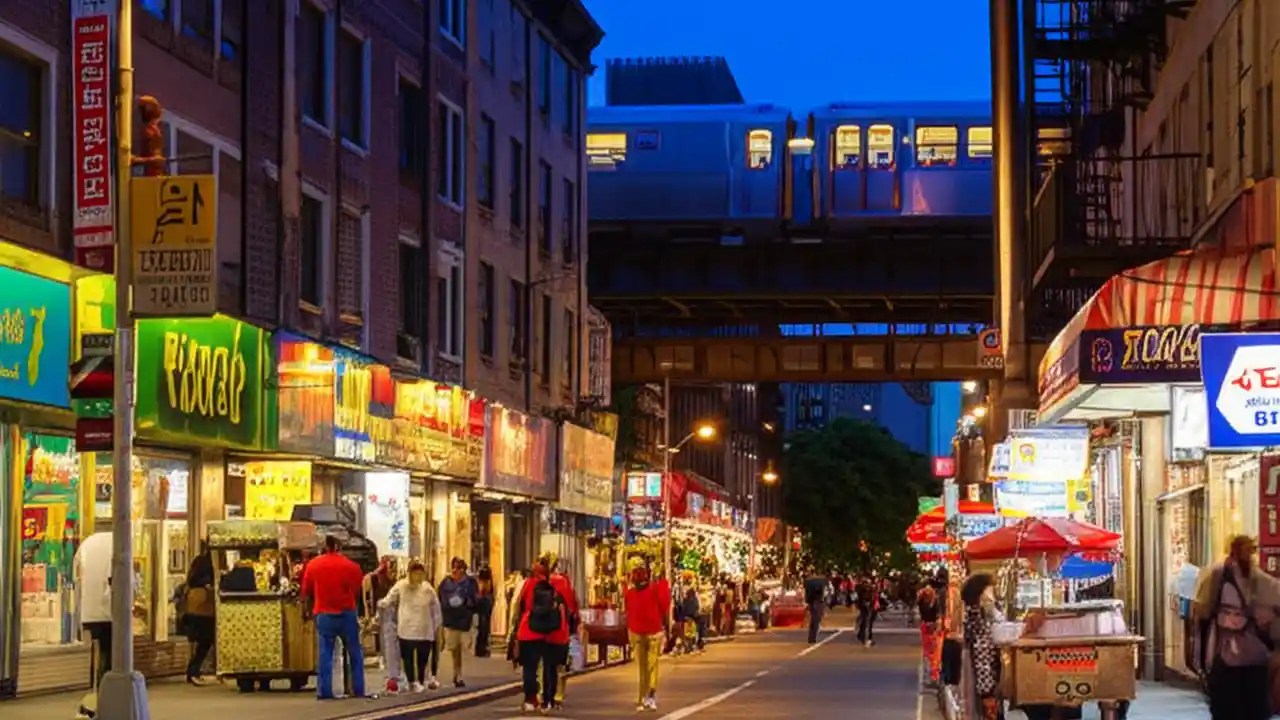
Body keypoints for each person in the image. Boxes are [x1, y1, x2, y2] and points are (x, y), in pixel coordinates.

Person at [1194, 535, 1274, 720]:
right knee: (1242, 707)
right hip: (1236, 654)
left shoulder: (1254, 577)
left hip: (1243, 655)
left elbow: (1202, 610)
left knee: (1238, 707)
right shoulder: (1221, 574)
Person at [301, 534, 367, 700]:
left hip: (323, 613)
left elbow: (306, 591)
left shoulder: (313, 565)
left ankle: (325, 691)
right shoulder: (352, 566)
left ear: (324, 547)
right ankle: (357, 689)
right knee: (354, 652)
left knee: (325, 654)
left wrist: (307, 611)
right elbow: (358, 590)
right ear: (339, 547)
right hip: (347, 613)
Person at [512, 552, 579, 713]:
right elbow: (571, 606)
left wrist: (514, 630)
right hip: (551, 631)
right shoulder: (560, 582)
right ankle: (548, 700)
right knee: (551, 667)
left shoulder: (528, 584)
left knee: (529, 668)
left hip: (528, 629)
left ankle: (530, 699)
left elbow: (519, 606)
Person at [381, 560, 443, 693]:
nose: (418, 577)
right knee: (407, 658)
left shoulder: (428, 589)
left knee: (422, 659)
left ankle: (420, 681)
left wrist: (437, 626)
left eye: (420, 574)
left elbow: (435, 608)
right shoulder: (401, 586)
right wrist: (382, 604)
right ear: (409, 573)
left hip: (424, 629)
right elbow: (389, 599)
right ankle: (411, 682)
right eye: (415, 574)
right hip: (406, 629)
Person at [625, 563, 670, 712]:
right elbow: (664, 605)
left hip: (637, 633)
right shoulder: (655, 589)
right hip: (653, 632)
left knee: (642, 668)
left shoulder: (630, 593)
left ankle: (641, 698)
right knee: (652, 666)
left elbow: (628, 612)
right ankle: (650, 696)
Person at [74, 531, 114, 690]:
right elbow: (114, 580)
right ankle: (104, 683)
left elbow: (77, 578)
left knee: (96, 649)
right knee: (107, 649)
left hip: (87, 612)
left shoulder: (86, 546)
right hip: (107, 613)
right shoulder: (115, 547)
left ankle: (95, 683)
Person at [962, 573, 1001, 720]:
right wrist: (987, 693)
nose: (992, 594)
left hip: (979, 682)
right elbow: (982, 657)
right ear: (980, 592)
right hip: (983, 683)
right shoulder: (977, 617)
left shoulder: (975, 614)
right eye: (989, 590)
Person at [437, 557, 478, 688]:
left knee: (464, 647)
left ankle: (458, 673)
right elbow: (441, 599)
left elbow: (475, 599)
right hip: (450, 620)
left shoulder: (470, 583)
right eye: (454, 568)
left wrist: (467, 603)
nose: (456, 571)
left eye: (459, 568)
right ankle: (457, 673)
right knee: (454, 648)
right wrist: (447, 606)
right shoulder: (446, 583)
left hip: (465, 620)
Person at [182, 546, 216, 685]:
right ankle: (193, 671)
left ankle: (193, 671)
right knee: (204, 643)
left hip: (195, 612)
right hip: (204, 612)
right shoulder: (205, 581)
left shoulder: (192, 585)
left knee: (201, 643)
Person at [917, 585, 942, 685]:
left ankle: (930, 675)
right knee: (934, 652)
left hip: (925, 626)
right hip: (933, 627)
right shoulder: (935, 602)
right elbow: (938, 615)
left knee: (928, 652)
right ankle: (934, 675)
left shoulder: (921, 601)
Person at [802, 571, 827, 644]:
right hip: (818, 603)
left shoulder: (809, 583)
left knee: (813, 620)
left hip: (812, 602)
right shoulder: (821, 583)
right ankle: (813, 637)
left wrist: (808, 601)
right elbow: (823, 594)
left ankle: (811, 637)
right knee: (816, 620)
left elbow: (807, 594)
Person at [475, 567, 496, 657]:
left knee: (482, 629)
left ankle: (480, 648)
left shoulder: (481, 582)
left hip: (483, 607)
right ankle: (481, 648)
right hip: (485, 606)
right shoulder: (486, 583)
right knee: (484, 629)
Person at [855, 576, 878, 647]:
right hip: (867, 607)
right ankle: (865, 639)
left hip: (869, 606)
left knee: (866, 622)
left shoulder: (867, 588)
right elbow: (866, 598)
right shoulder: (865, 589)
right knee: (866, 623)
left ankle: (863, 637)